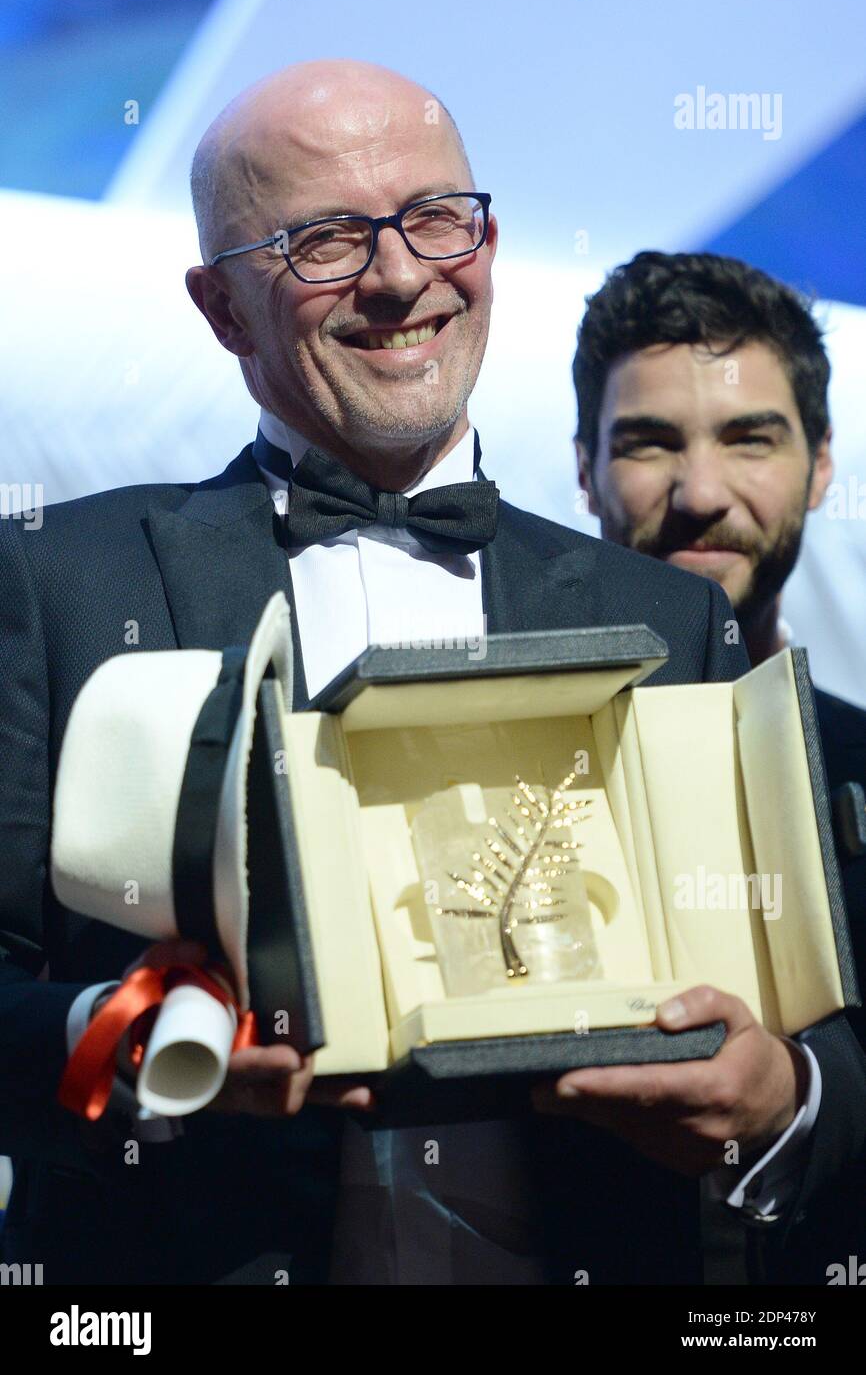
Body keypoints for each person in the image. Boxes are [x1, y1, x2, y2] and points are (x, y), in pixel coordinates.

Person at [0, 63, 863, 1287]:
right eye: (325, 239)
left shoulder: (668, 618)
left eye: (433, 218)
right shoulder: (58, 580)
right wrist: (120, 1038)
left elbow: (811, 1020)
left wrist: (781, 1095)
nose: (401, 274)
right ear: (220, 306)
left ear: (488, 241)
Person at [573, 248, 866, 1280]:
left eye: (748, 438)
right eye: (648, 442)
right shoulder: (507, 759)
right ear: (583, 466)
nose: (698, 492)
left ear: (819, 462)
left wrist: (801, 1100)